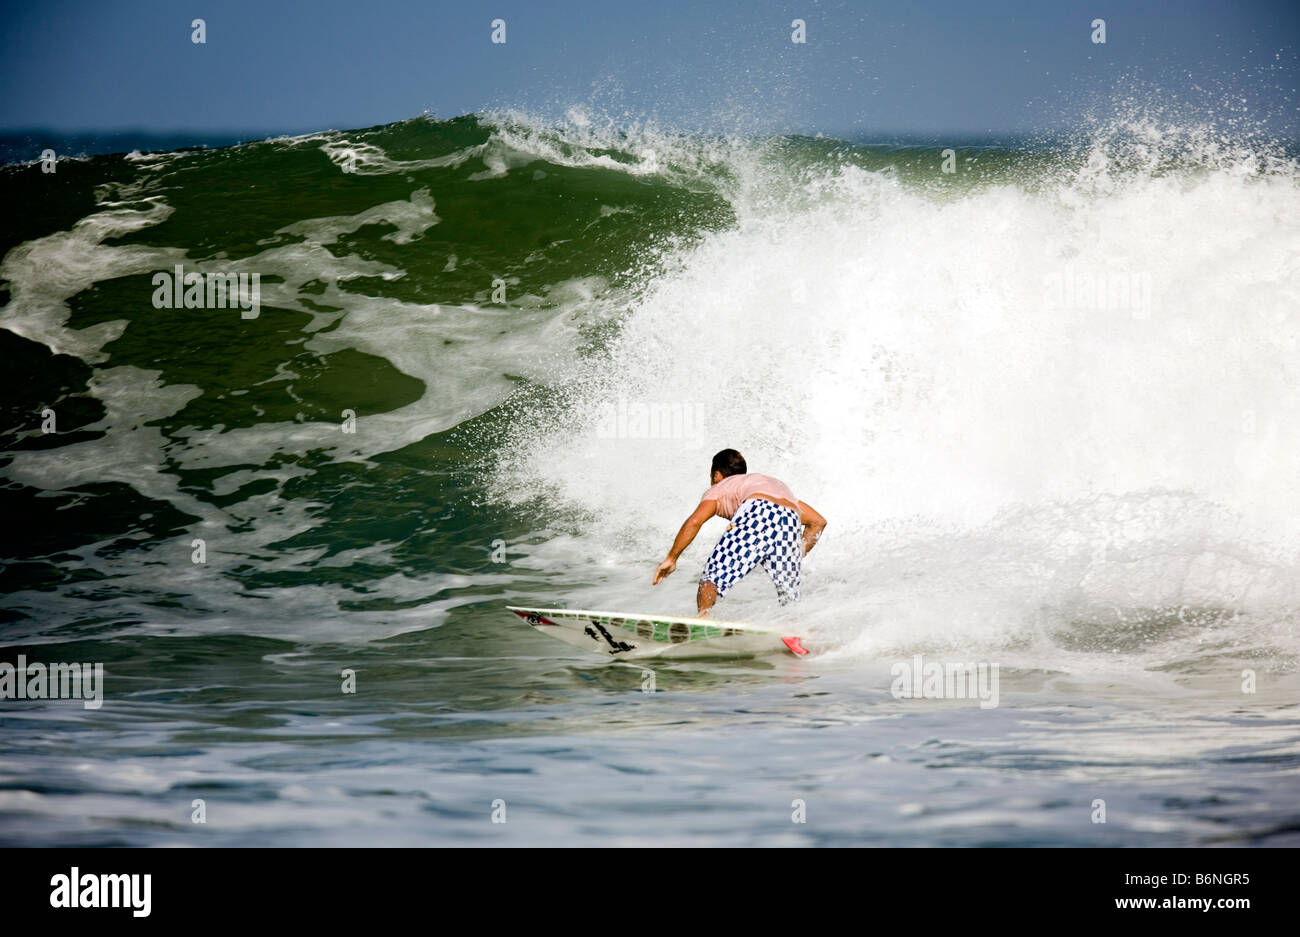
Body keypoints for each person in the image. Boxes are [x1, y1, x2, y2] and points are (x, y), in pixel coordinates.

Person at [652, 448, 827, 617]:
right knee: (790, 596)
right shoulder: (764, 484)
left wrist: (671, 558)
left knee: (712, 576)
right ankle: (793, 629)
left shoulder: (720, 486)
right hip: (790, 517)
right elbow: (818, 522)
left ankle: (703, 618)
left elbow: (695, 521)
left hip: (758, 508)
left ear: (716, 475)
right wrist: (794, 554)